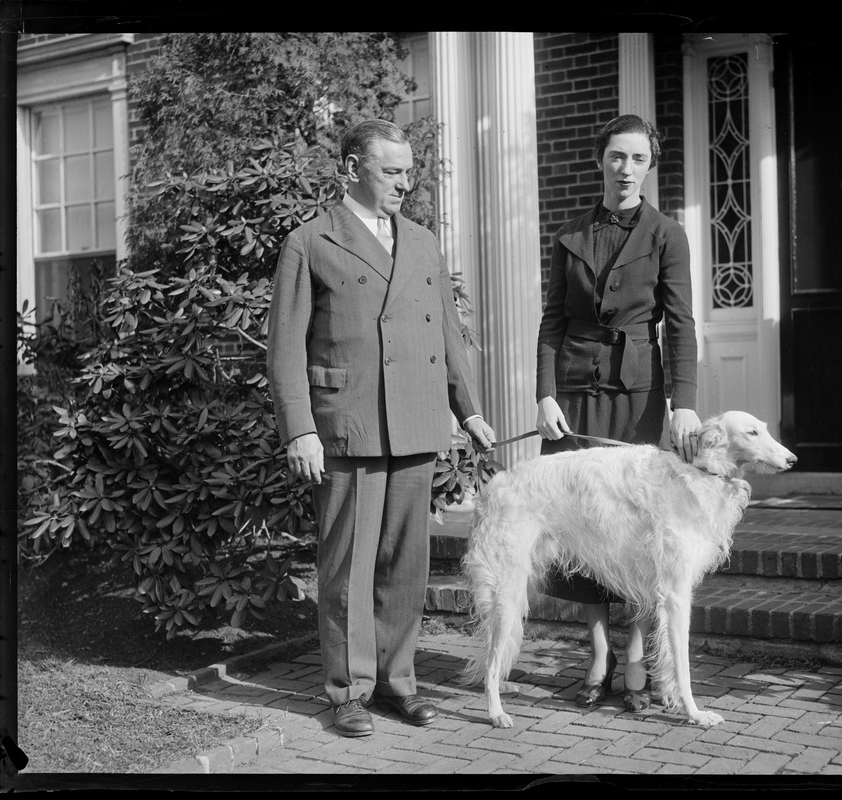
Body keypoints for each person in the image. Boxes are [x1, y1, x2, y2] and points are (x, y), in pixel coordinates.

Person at [266, 119, 495, 737]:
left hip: (416, 422)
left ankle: (399, 683)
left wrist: (468, 410)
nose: (404, 182)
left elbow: (447, 333)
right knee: (346, 566)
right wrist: (300, 430)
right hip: (349, 424)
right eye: (391, 171)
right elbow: (285, 347)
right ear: (351, 169)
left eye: (408, 171)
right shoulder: (311, 241)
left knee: (405, 565)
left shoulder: (421, 241)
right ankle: (348, 689)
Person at [534, 114, 701, 714]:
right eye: (615, 157)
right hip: (575, 391)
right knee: (581, 520)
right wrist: (544, 392)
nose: (625, 169)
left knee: (637, 528)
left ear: (649, 166)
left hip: (638, 398)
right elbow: (553, 318)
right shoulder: (570, 232)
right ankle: (598, 650)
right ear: (600, 161)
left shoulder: (667, 235)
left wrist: (684, 405)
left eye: (636, 159)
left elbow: (680, 325)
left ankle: (635, 657)